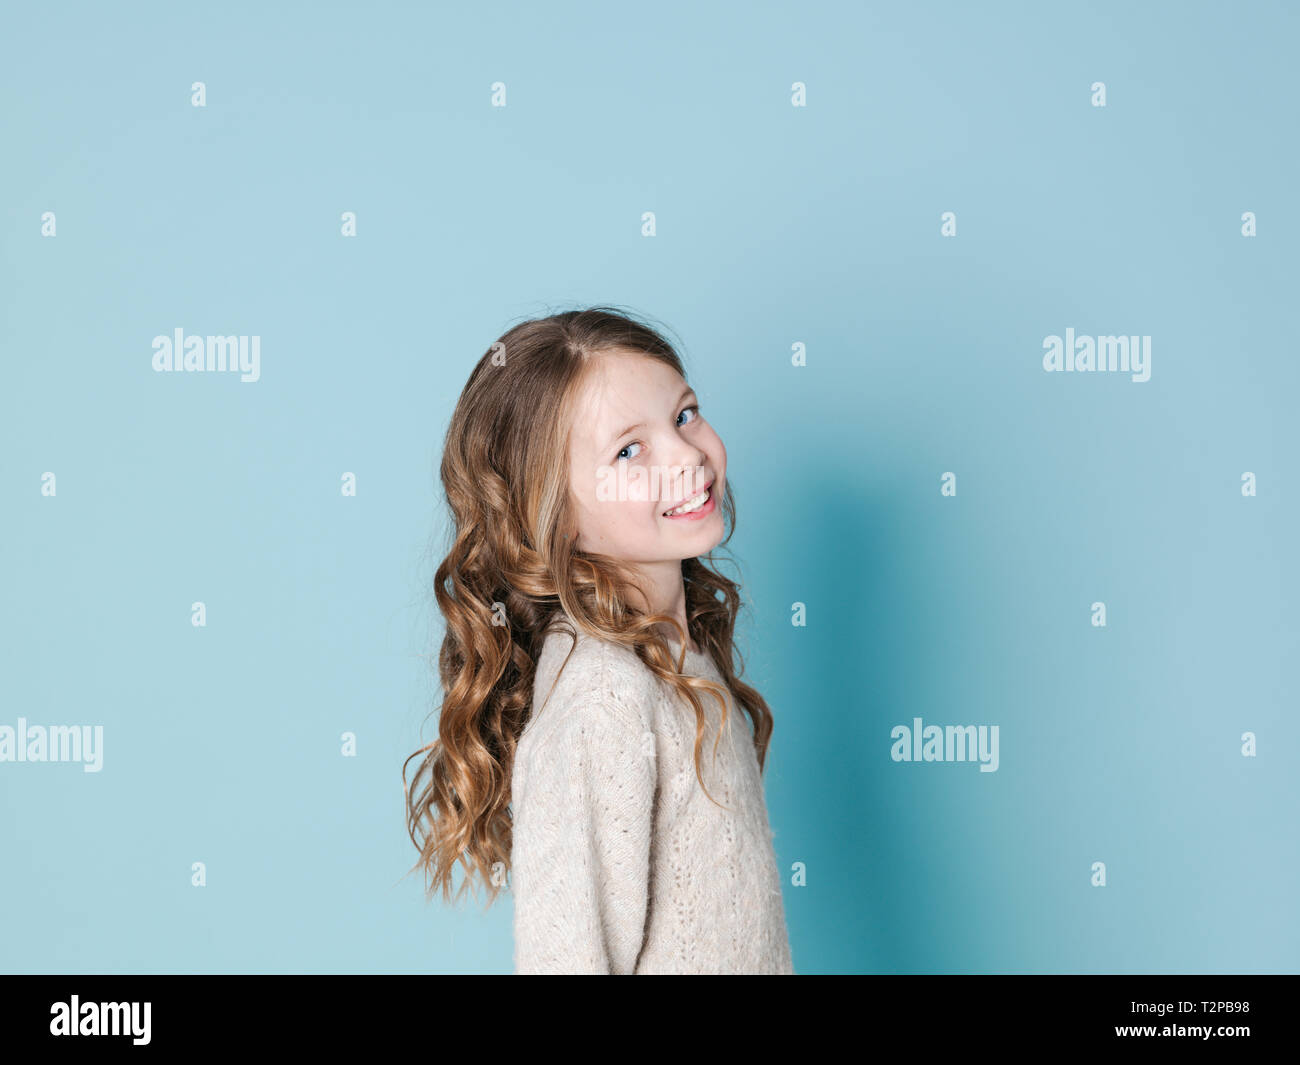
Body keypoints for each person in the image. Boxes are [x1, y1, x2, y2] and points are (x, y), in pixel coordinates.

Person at [404, 306, 794, 974]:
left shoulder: (677, 650)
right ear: (554, 517)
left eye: (683, 414)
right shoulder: (604, 697)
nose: (686, 457)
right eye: (628, 450)